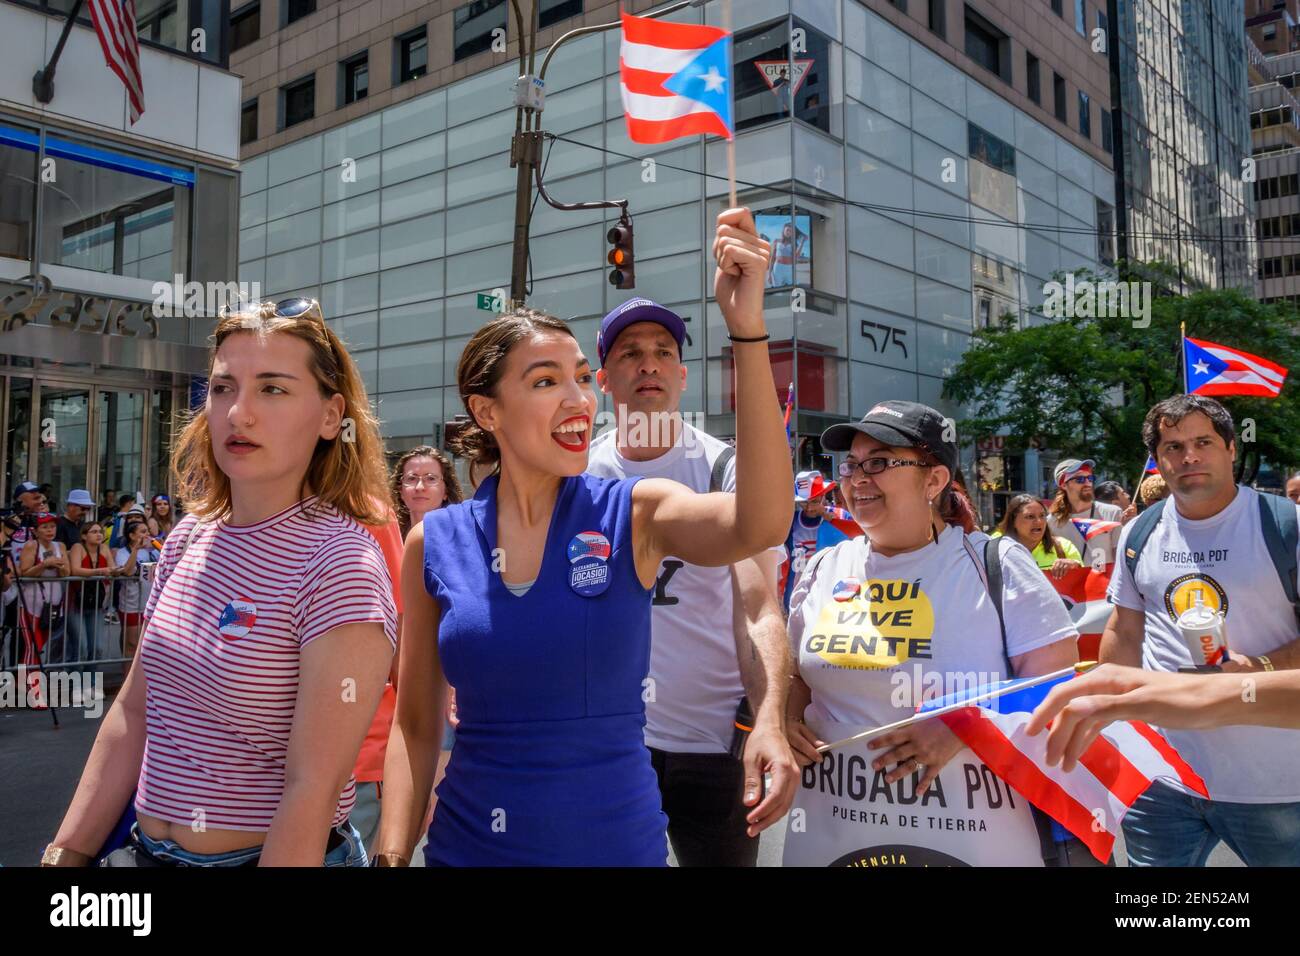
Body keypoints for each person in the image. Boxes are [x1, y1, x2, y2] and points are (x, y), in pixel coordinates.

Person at [375, 207, 791, 867]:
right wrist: (392, 854)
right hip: (466, 851)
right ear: (488, 411)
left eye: (577, 378)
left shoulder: (636, 511)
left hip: (617, 846)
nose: (577, 398)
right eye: (545, 382)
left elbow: (760, 523)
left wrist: (747, 332)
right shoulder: (435, 542)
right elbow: (418, 725)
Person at [41, 297, 397, 869]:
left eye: (273, 389)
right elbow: (134, 711)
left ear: (333, 417)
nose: (239, 413)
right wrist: (67, 852)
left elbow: (313, 785)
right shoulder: (188, 536)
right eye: (225, 388)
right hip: (143, 854)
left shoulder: (340, 563)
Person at [783, 401, 1083, 867]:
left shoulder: (997, 564)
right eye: (852, 465)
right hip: (832, 835)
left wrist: (963, 727)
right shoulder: (825, 567)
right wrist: (785, 723)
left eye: (879, 462)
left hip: (975, 839)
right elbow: (797, 677)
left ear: (934, 480)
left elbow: (1060, 687)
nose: (858, 477)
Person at [586, 296, 798, 866]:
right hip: (611, 745)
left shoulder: (724, 468)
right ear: (605, 380)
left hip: (714, 746)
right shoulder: (578, 472)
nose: (648, 364)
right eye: (630, 354)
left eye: (662, 352)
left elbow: (757, 607)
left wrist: (770, 719)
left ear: (682, 376)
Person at [1100, 393, 1300, 867]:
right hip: (1162, 777)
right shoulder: (1138, 533)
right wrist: (1107, 714)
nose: (1188, 456)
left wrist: (1257, 667)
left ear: (1231, 449)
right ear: (1157, 461)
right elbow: (1124, 631)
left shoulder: (1286, 526)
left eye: (1203, 442)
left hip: (1275, 781)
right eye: (1172, 447)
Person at [1047, 459, 1124, 571]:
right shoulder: (1051, 522)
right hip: (1071, 585)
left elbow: (1120, 559)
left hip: (1103, 585)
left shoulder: (1113, 513)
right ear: (1064, 485)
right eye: (1080, 479)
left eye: (1090, 478)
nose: (1087, 483)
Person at [18, 513, 69, 667]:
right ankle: (31, 686)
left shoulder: (60, 546)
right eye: (45, 527)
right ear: (35, 531)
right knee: (33, 646)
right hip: (30, 605)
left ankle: (26, 683)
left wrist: (59, 566)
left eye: (52, 526)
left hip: (52, 606)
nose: (49, 530)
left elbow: (67, 573)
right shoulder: (31, 545)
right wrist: (44, 565)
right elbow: (24, 572)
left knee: (40, 647)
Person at [993, 493, 1082, 579]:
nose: (1039, 521)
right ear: (1013, 521)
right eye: (1030, 516)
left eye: (1042, 515)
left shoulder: (1063, 547)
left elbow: (1084, 581)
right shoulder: (994, 545)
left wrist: (1075, 566)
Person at [781, 470, 835, 610]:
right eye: (804, 503)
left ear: (823, 496)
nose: (809, 508)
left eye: (815, 501)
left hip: (827, 592)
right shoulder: (790, 521)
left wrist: (835, 522)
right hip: (796, 593)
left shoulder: (836, 518)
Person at [67, 520, 117, 669]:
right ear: (84, 536)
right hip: (76, 602)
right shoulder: (78, 547)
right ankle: (76, 686)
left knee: (97, 648)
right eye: (94, 532)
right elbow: (75, 570)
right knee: (82, 647)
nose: (99, 534)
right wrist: (100, 571)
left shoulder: (104, 549)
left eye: (100, 532)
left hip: (97, 602)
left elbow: (113, 568)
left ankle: (91, 685)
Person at [113, 519, 160, 671]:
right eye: (143, 532)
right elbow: (127, 570)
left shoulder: (153, 551)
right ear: (132, 535)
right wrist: (135, 550)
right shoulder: (122, 552)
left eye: (147, 531)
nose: (147, 535)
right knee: (132, 647)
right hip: (131, 604)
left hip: (150, 604)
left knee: (146, 648)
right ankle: (127, 680)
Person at [393, 445, 464, 537]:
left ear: (446, 490)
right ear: (400, 490)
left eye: (431, 478)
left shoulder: (462, 539)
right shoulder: (390, 539)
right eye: (411, 478)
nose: (419, 487)